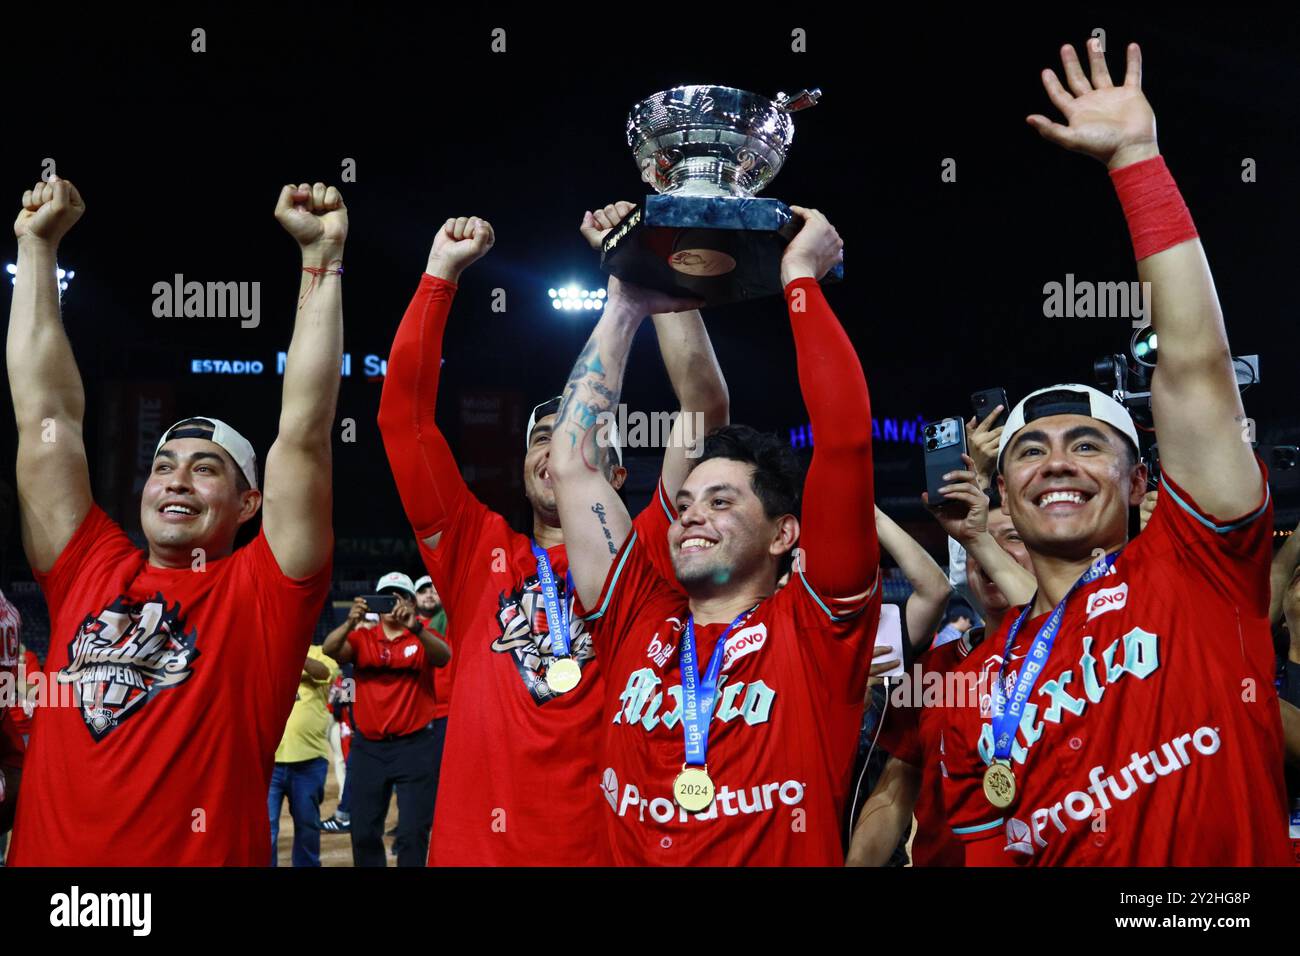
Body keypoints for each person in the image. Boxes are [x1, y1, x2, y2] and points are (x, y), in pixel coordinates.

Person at [937, 39, 1293, 865]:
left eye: (1087, 445)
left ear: (1142, 482)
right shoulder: (973, 691)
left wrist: (1137, 161)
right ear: (1002, 493)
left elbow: (1198, 368)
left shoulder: (1196, 565)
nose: (1056, 463)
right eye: (1028, 452)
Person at [376, 206, 728, 866]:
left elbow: (703, 413)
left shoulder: (647, 552)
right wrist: (439, 275)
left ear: (617, 473)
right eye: (545, 438)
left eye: (582, 435)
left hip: (599, 853)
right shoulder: (472, 548)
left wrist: (650, 276)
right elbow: (404, 422)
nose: (558, 451)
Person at [6, 178, 343, 865]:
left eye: (206, 467)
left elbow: (304, 432)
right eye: (164, 465)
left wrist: (321, 262)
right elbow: (46, 417)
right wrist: (36, 248)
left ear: (250, 503)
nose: (176, 481)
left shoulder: (263, 594)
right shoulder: (88, 568)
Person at [552, 206, 881, 865]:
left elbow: (844, 440)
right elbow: (574, 464)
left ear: (784, 533)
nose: (691, 514)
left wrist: (798, 278)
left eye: (721, 501)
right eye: (688, 500)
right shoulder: (638, 618)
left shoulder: (818, 631)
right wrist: (624, 303)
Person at [323, 573, 449, 867]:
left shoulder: (421, 636)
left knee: (412, 831)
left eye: (399, 596)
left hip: (415, 746)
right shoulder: (361, 637)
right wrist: (350, 622)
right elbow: (330, 650)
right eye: (386, 597)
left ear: (409, 602)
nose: (392, 603)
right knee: (363, 831)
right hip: (370, 749)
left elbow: (443, 657)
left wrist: (415, 627)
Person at [268, 642, 338, 866]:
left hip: (309, 761)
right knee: (266, 828)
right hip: (270, 761)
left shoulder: (321, 652)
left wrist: (294, 654)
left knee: (308, 826)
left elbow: (325, 672)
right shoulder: (267, 650)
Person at [413, 574, 451, 818]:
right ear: (414, 597)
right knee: (414, 773)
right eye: (423, 590)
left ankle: (439, 821)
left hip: (448, 712)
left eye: (434, 589)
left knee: (443, 773)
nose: (429, 594)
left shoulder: (452, 622)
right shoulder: (405, 626)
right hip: (415, 714)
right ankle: (415, 820)